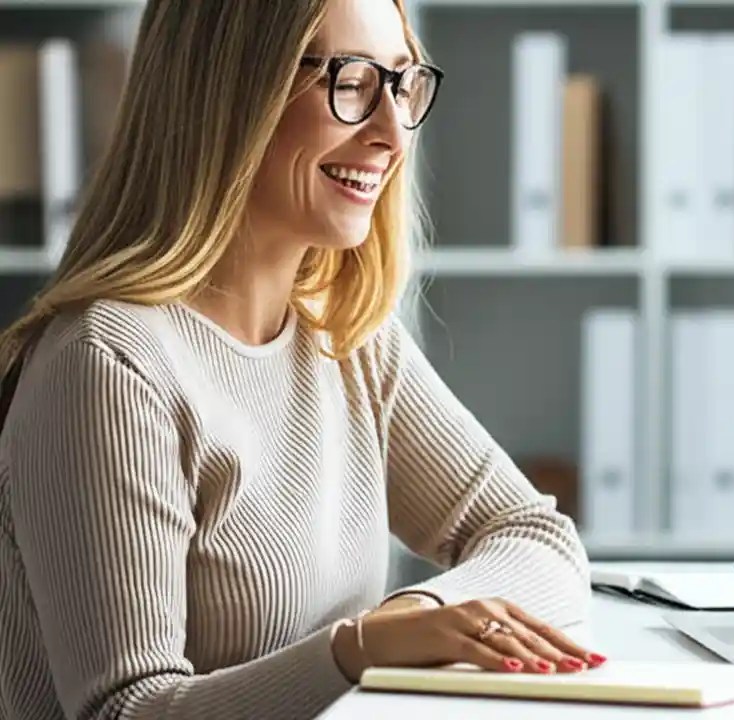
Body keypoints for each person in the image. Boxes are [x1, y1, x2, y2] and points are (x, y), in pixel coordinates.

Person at [0, 2, 603, 718]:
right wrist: (364, 650)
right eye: (350, 81)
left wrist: (416, 618)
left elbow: (534, 535)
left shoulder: (344, 338)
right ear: (227, 92)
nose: (390, 133)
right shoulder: (107, 365)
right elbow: (124, 710)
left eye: (403, 84)